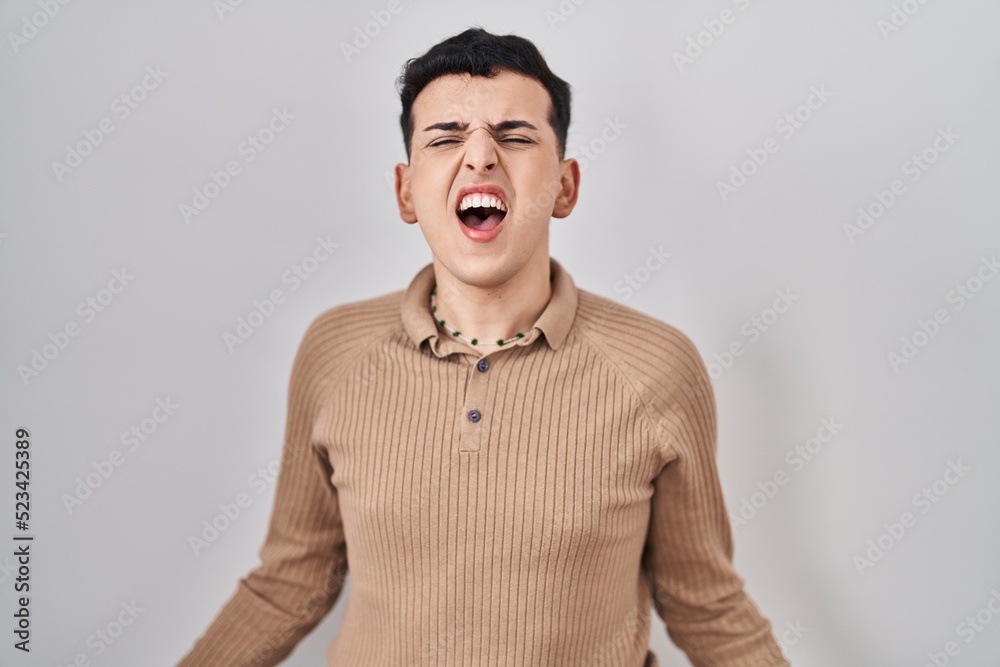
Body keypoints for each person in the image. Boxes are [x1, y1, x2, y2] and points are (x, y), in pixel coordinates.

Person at [178, 26, 790, 667]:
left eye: (515, 136)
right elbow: (289, 584)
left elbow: (706, 604)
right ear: (406, 191)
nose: (479, 157)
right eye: (445, 138)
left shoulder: (659, 368)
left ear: (566, 185)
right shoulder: (335, 352)